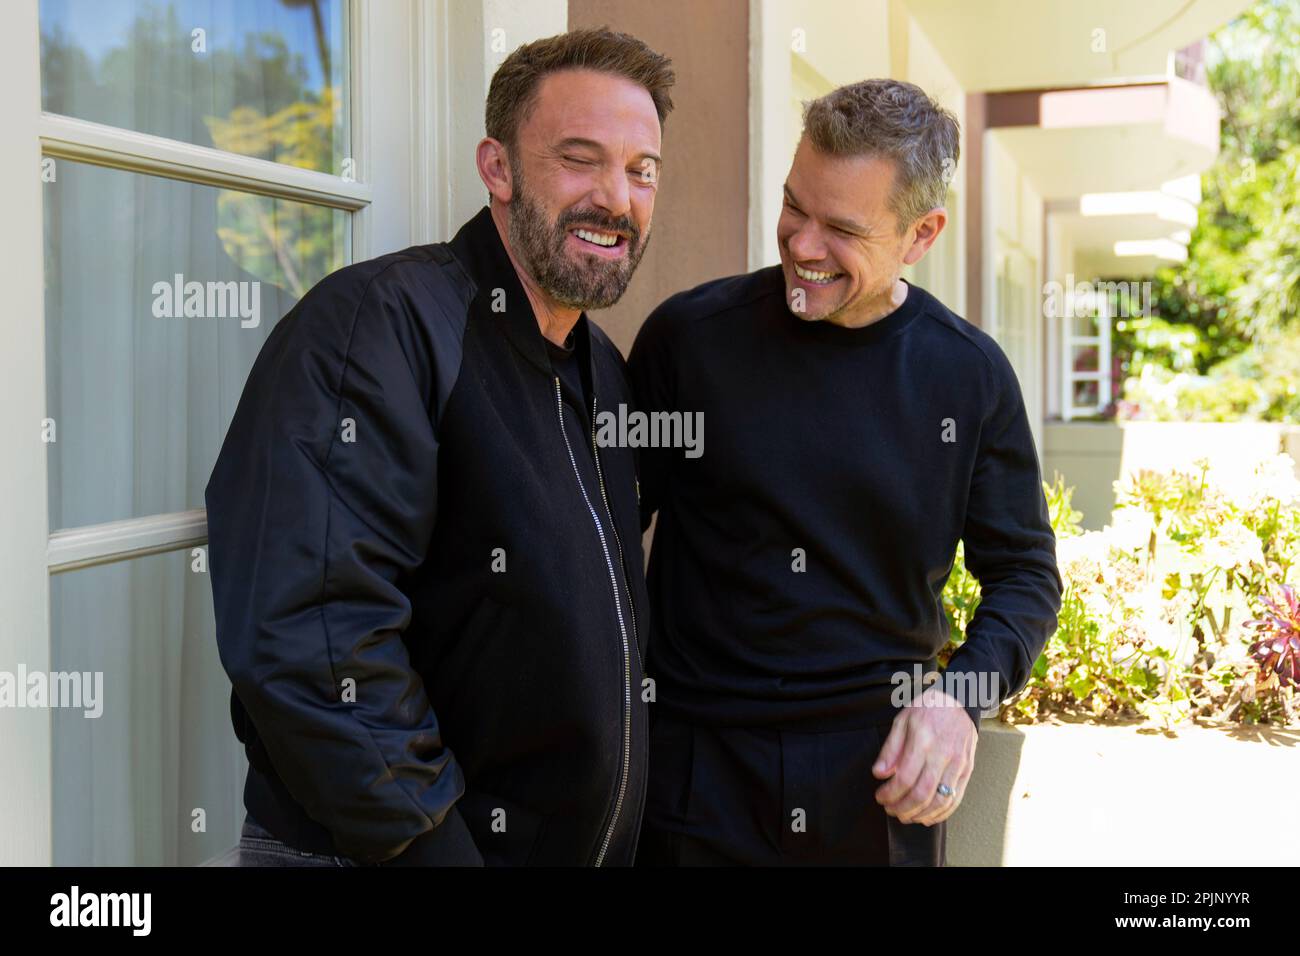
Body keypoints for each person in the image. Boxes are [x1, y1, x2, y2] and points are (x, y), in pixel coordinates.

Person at [206, 28, 674, 866]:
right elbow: (313, 634)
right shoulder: (375, 326)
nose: (617, 197)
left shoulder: (602, 367)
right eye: (580, 158)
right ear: (497, 168)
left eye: (642, 170)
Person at [629, 78, 1062, 866]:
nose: (800, 245)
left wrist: (958, 700)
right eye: (795, 205)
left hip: (881, 774)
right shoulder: (689, 341)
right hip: (696, 771)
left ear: (920, 236)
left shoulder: (969, 378)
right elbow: (605, 529)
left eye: (842, 228)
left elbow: (1026, 575)